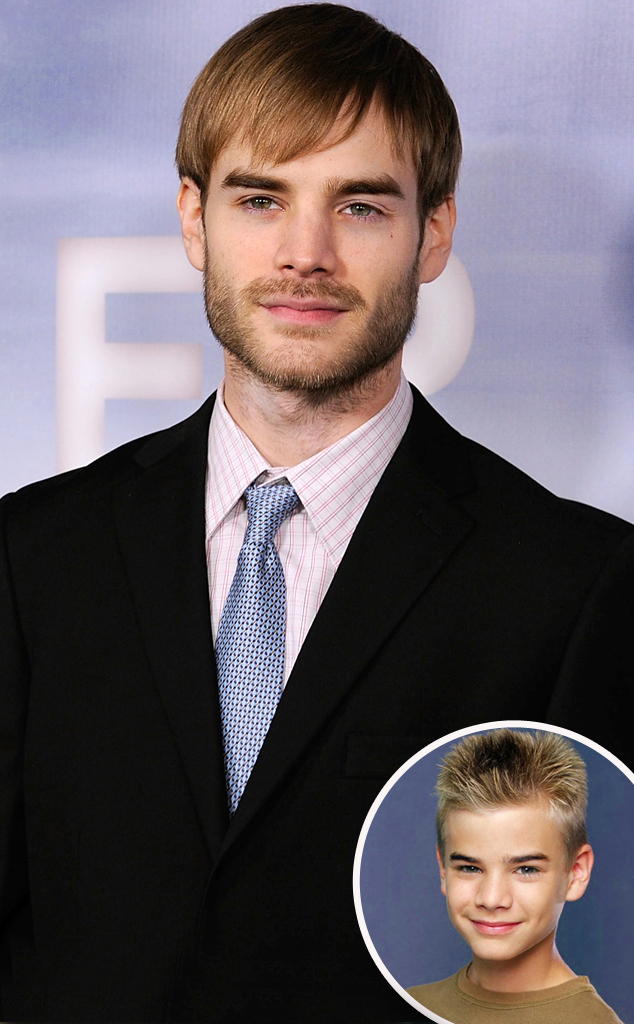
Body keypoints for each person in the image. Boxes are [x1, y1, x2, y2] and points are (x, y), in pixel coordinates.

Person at [1, 4, 633, 1022]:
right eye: (261, 199)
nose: (306, 253)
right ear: (192, 219)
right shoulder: (31, 556)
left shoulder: (574, 586)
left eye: (361, 206)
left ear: (434, 234)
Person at [407, 729, 624, 1023]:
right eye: (469, 868)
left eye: (526, 869)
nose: (491, 899)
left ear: (576, 873)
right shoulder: (413, 1002)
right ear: (443, 869)